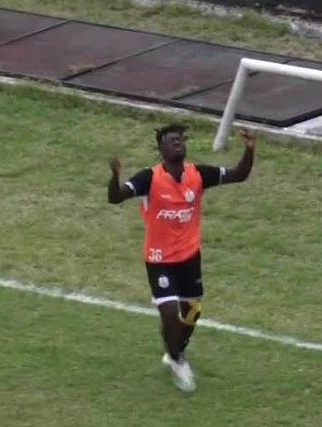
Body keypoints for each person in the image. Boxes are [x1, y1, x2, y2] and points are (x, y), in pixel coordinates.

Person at [107, 124, 256, 393]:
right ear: (161, 150)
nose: (177, 143)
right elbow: (115, 198)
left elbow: (239, 175)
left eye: (180, 140)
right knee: (169, 313)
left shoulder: (197, 174)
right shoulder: (148, 179)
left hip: (189, 257)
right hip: (159, 258)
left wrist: (249, 149)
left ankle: (176, 350)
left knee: (192, 312)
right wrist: (115, 177)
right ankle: (177, 360)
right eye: (170, 140)